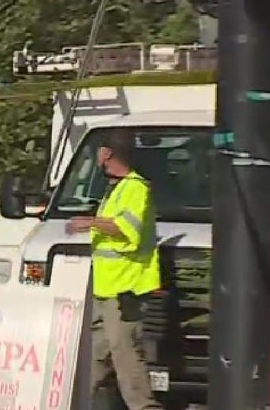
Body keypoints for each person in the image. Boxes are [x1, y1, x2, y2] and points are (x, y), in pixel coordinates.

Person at [66, 129, 163, 410]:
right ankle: (70, 401)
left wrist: (90, 222)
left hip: (125, 289)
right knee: (97, 354)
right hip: (107, 288)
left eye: (98, 151)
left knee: (126, 355)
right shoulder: (116, 189)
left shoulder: (135, 188)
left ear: (106, 154)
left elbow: (126, 230)